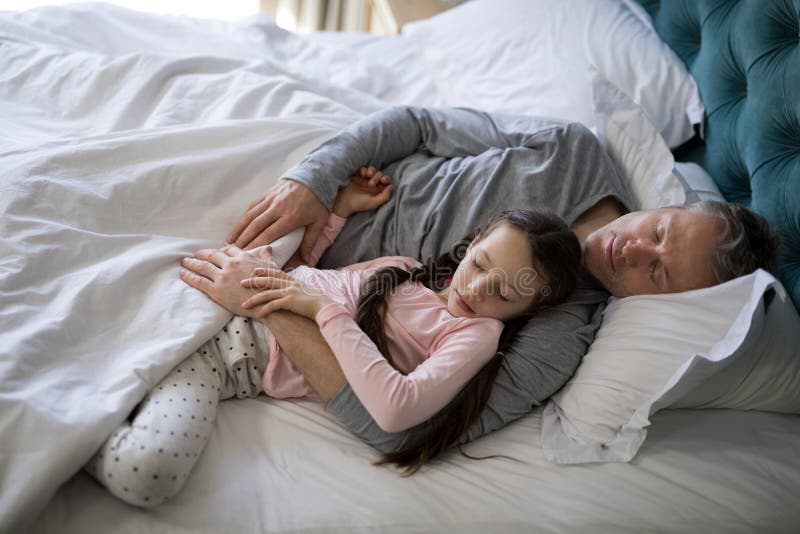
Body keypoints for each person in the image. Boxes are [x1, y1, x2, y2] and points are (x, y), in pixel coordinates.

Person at [181, 106, 779, 456]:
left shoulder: (557, 337)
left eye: (658, 271)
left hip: (276, 293)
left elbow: (400, 431)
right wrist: (313, 179)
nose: (635, 247)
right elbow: (415, 122)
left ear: (666, 303)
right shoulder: (572, 148)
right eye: (663, 228)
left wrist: (271, 302)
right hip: (323, 183)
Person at [85, 166, 583, 506]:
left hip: (230, 353)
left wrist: (323, 312)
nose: (475, 289)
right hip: (214, 286)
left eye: (504, 293)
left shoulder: (474, 337)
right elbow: (307, 274)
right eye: (479, 265)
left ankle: (65, 438)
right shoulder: (405, 269)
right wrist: (341, 211)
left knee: (148, 474)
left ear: (531, 308)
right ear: (472, 243)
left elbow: (396, 408)